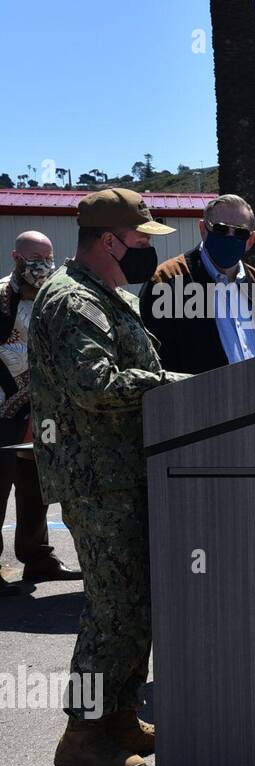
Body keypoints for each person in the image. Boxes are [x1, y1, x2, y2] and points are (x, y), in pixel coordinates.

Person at [29, 188, 191, 766]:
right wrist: (177, 384)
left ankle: (118, 715)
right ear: (109, 241)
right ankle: (82, 733)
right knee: (113, 608)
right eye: (142, 239)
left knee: (137, 604)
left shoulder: (105, 295)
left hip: (124, 474)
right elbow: (96, 385)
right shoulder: (73, 300)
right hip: (99, 481)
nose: (149, 249)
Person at [1, 231, 81, 592]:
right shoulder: (1, 294)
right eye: (35, 258)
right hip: (4, 407)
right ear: (17, 258)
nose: (44, 265)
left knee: (38, 486)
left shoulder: (56, 293)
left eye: (48, 257)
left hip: (45, 407)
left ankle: (38, 558)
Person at [140, 194, 255, 373]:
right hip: (199, 399)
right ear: (203, 229)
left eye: (240, 233)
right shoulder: (167, 283)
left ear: (251, 239)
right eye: (221, 229)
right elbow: (151, 363)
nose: (230, 237)